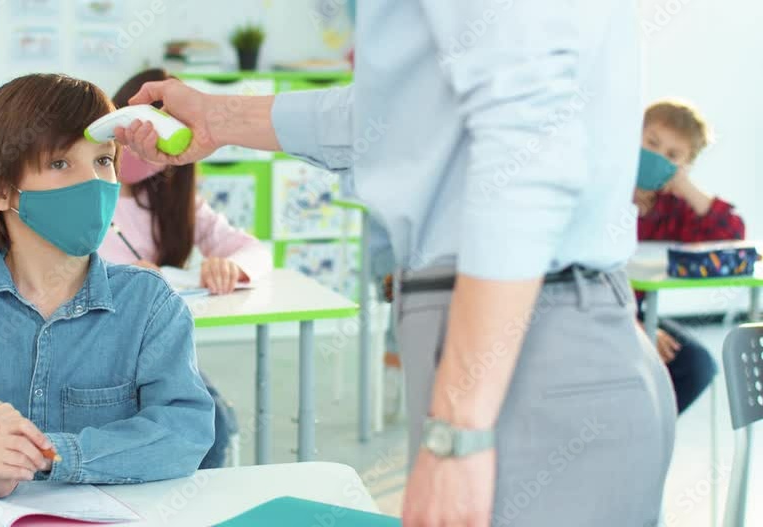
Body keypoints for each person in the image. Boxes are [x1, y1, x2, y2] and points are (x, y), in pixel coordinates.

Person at [116, 2, 675, 525]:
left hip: (530, 350)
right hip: (526, 336)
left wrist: (458, 434)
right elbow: (405, 118)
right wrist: (218, 116)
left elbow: (527, 145)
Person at [0, 74, 214, 498]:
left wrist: (49, 455)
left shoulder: (149, 303)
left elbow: (184, 432)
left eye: (103, 161)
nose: (94, 183)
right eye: (59, 163)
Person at [99, 68, 273, 468]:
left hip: (154, 348)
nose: (147, 148)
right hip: (100, 348)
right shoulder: (87, 193)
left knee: (214, 424)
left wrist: (231, 267)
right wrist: (126, 279)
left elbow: (253, 250)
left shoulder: (174, 202)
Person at [634, 99, 743, 414]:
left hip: (639, 312)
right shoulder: (608, 189)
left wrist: (685, 186)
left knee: (696, 366)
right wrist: (635, 326)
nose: (657, 157)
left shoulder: (672, 206)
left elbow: (730, 237)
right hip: (596, 309)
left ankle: (646, 438)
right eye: (651, 143)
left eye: (672, 155)